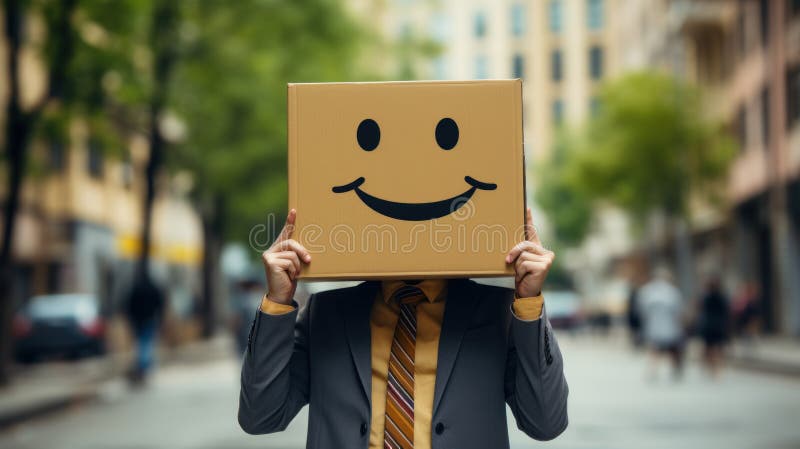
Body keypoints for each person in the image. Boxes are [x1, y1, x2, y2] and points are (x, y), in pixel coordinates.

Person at [238, 208, 568, 449]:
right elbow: (260, 416)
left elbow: (545, 423)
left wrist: (529, 302)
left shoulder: (499, 314)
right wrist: (277, 302)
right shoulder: (327, 314)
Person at [637, 266, 685, 381]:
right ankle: (670, 370)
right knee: (670, 349)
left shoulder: (647, 291)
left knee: (655, 349)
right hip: (669, 326)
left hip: (654, 326)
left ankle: (653, 371)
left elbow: (642, 310)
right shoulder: (672, 291)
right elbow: (678, 310)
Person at [125, 270, 165, 385]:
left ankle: (143, 367)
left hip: (138, 320)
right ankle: (144, 367)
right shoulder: (152, 288)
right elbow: (160, 303)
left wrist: (131, 319)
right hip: (149, 319)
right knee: (146, 343)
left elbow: (129, 304)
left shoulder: (135, 288)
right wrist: (159, 318)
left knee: (142, 344)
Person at [697, 277, 730, 378]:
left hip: (708, 325)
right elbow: (726, 312)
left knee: (709, 348)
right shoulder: (722, 297)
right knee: (718, 348)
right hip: (719, 325)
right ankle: (717, 369)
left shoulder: (706, 297)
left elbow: (700, 309)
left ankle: (712, 368)